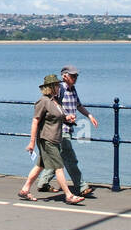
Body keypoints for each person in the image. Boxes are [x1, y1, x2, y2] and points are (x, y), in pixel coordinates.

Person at [20, 74, 85, 204]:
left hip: (55, 138)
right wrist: (32, 142)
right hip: (46, 139)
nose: (59, 87)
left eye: (58, 85)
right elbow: (35, 121)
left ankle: (25, 189)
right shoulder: (43, 101)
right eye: (56, 85)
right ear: (50, 87)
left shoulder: (55, 101)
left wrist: (68, 118)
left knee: (40, 165)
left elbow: (60, 116)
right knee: (59, 167)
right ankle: (69, 195)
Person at [41, 64, 98, 197]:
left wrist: (89, 116)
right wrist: (65, 116)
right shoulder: (59, 89)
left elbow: (78, 105)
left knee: (57, 157)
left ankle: (43, 183)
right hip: (60, 128)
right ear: (64, 76)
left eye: (76, 75)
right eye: (73, 76)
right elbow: (51, 104)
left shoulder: (73, 89)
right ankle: (82, 186)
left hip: (67, 128)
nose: (75, 78)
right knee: (70, 158)